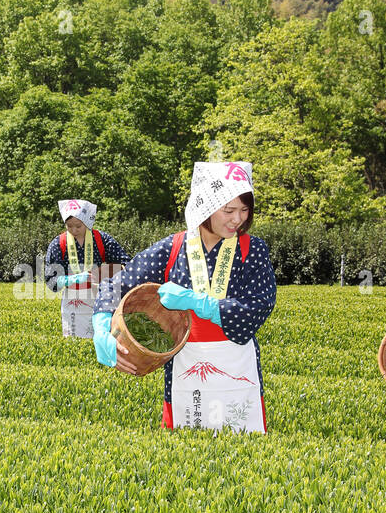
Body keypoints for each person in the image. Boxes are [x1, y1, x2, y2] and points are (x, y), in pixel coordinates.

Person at [93, 161, 276, 432]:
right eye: (229, 210)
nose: (237, 219)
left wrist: (201, 303)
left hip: (236, 363)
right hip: (184, 362)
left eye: (244, 210)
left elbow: (260, 305)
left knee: (243, 451)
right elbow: (117, 285)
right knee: (185, 450)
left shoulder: (253, 249)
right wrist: (100, 325)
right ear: (205, 207)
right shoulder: (174, 247)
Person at [44, 199, 131, 338]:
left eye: (78, 226)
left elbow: (126, 263)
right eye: (69, 226)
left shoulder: (101, 239)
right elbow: (51, 281)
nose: (73, 230)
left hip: (100, 298)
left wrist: (110, 276)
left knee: (101, 341)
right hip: (72, 303)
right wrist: (74, 278)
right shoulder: (58, 243)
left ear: (87, 222)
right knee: (74, 346)